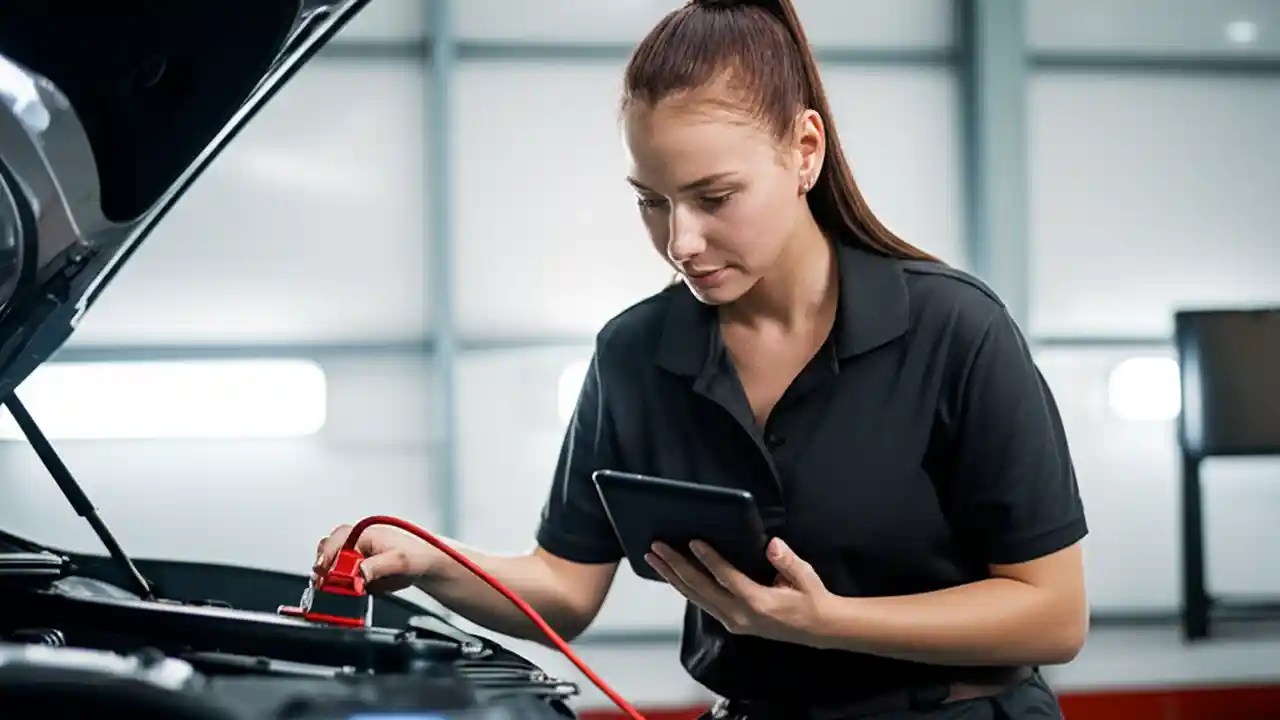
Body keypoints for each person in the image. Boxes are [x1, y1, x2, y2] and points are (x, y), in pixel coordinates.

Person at [314, 1, 1089, 717]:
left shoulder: (957, 330)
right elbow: (565, 589)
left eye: (713, 198)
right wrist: (430, 561)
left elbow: (1052, 615)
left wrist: (829, 624)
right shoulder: (633, 354)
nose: (680, 242)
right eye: (651, 201)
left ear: (805, 151)